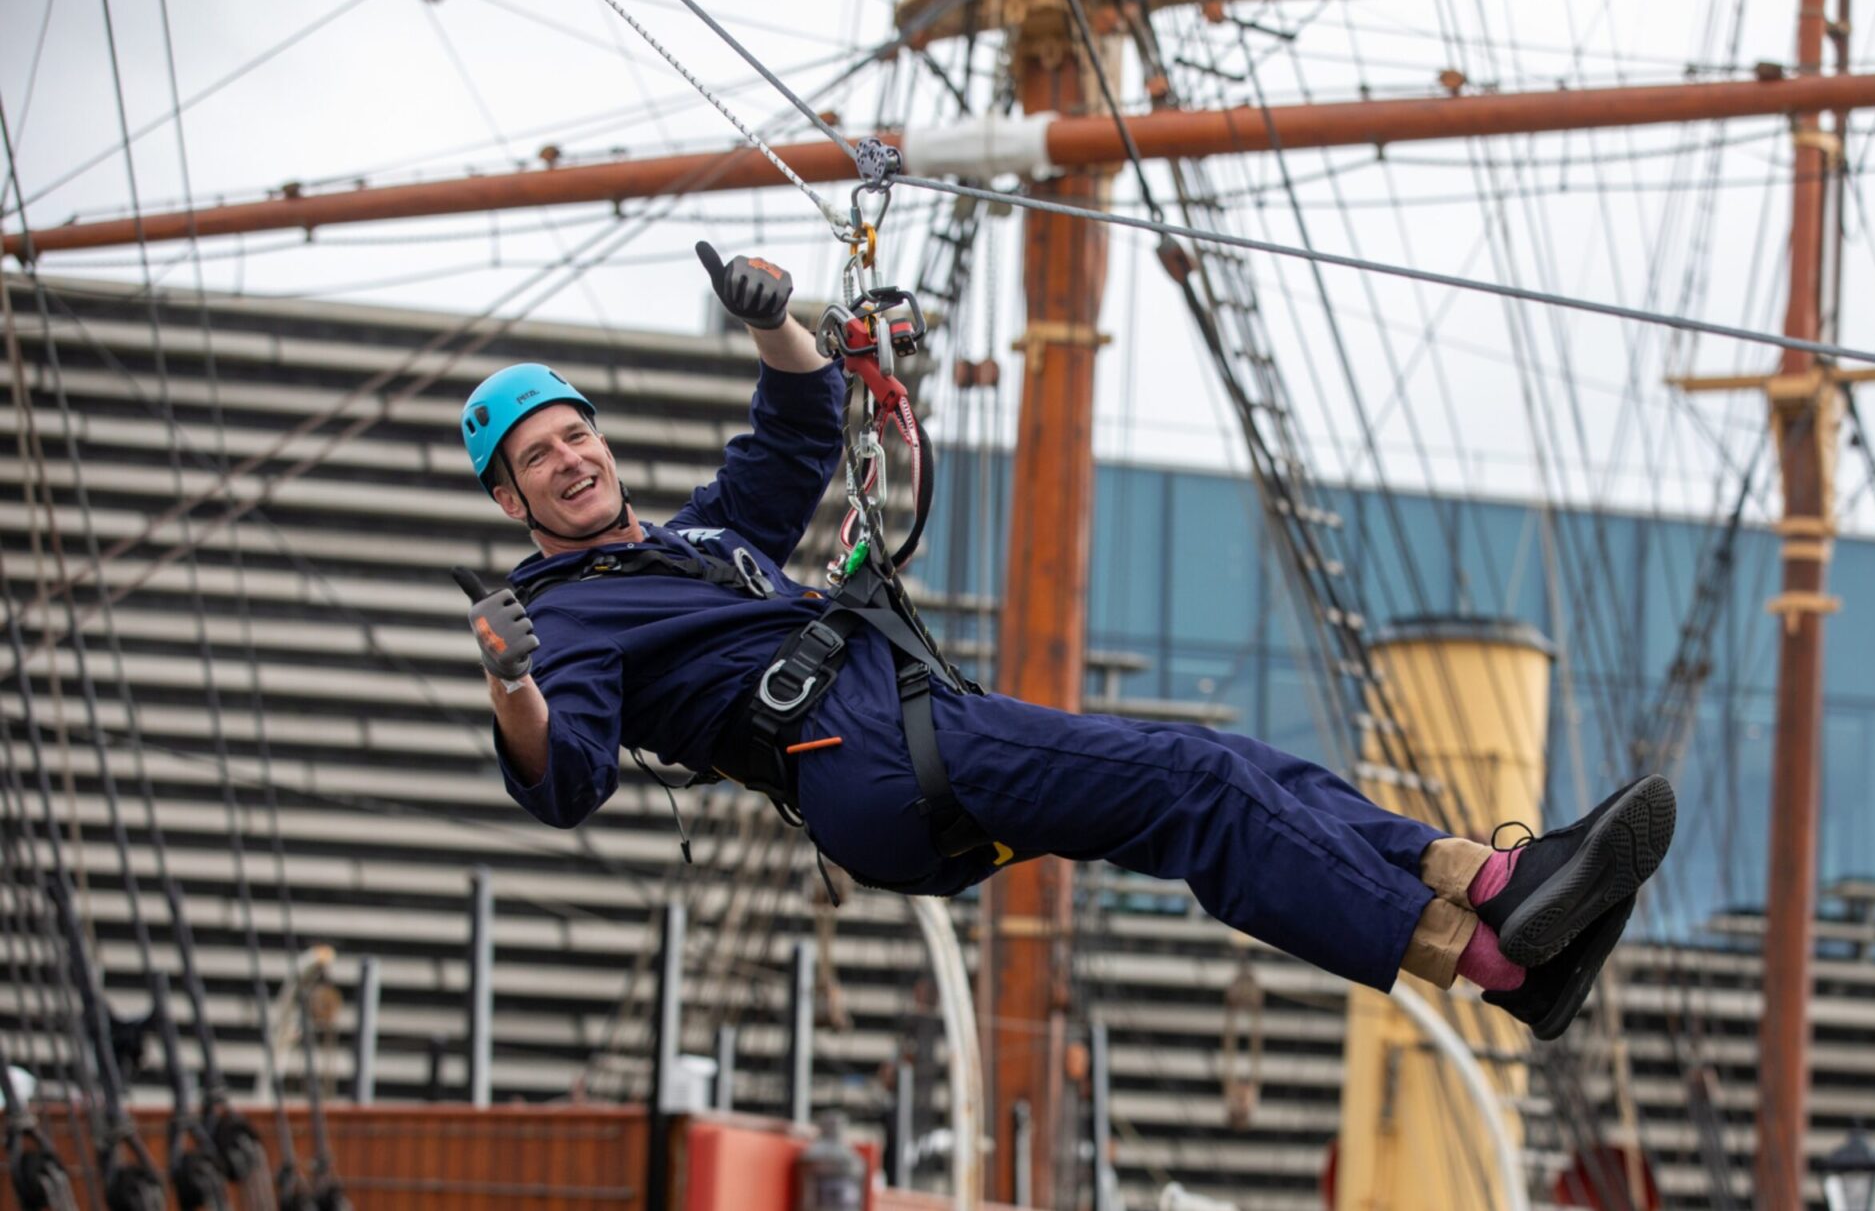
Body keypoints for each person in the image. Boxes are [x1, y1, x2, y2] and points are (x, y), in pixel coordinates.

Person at [457, 244, 1676, 1041]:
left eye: (577, 437)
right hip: (864, 758)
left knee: (1229, 767)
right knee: (1197, 787)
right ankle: (1496, 964)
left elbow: (793, 424)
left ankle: (1493, 891)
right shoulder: (566, 615)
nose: (571, 461)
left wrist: (776, 321)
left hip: (909, 731)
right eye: (540, 461)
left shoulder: (691, 542)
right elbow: (565, 778)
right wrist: (512, 680)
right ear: (512, 501)